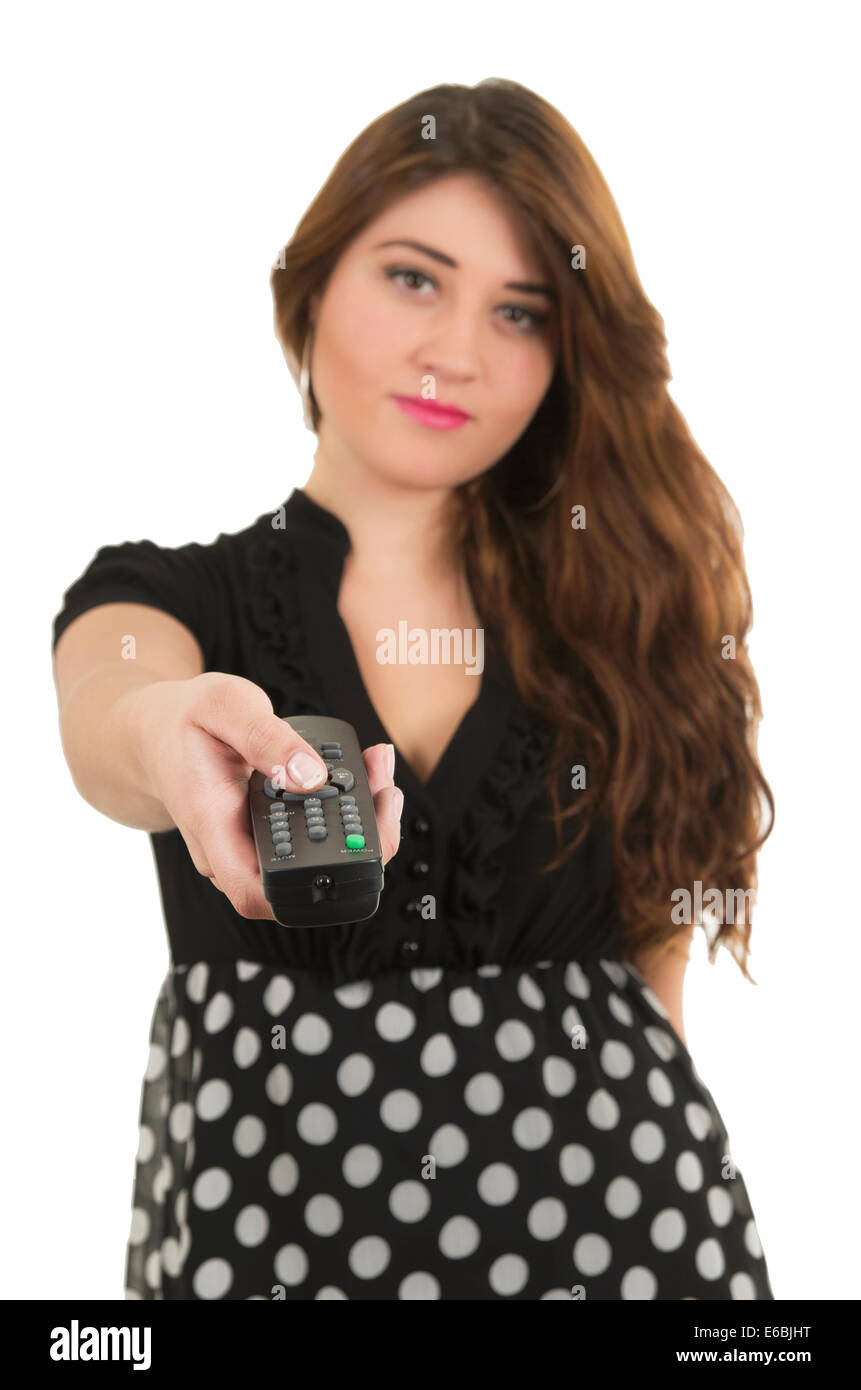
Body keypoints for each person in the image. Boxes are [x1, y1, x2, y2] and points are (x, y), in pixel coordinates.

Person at [51, 78, 775, 1300]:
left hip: (637, 1257)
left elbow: (655, 1021)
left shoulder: (627, 620)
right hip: (278, 1257)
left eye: (521, 311)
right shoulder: (168, 597)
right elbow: (115, 702)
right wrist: (171, 730)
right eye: (414, 277)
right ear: (313, 280)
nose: (457, 353)